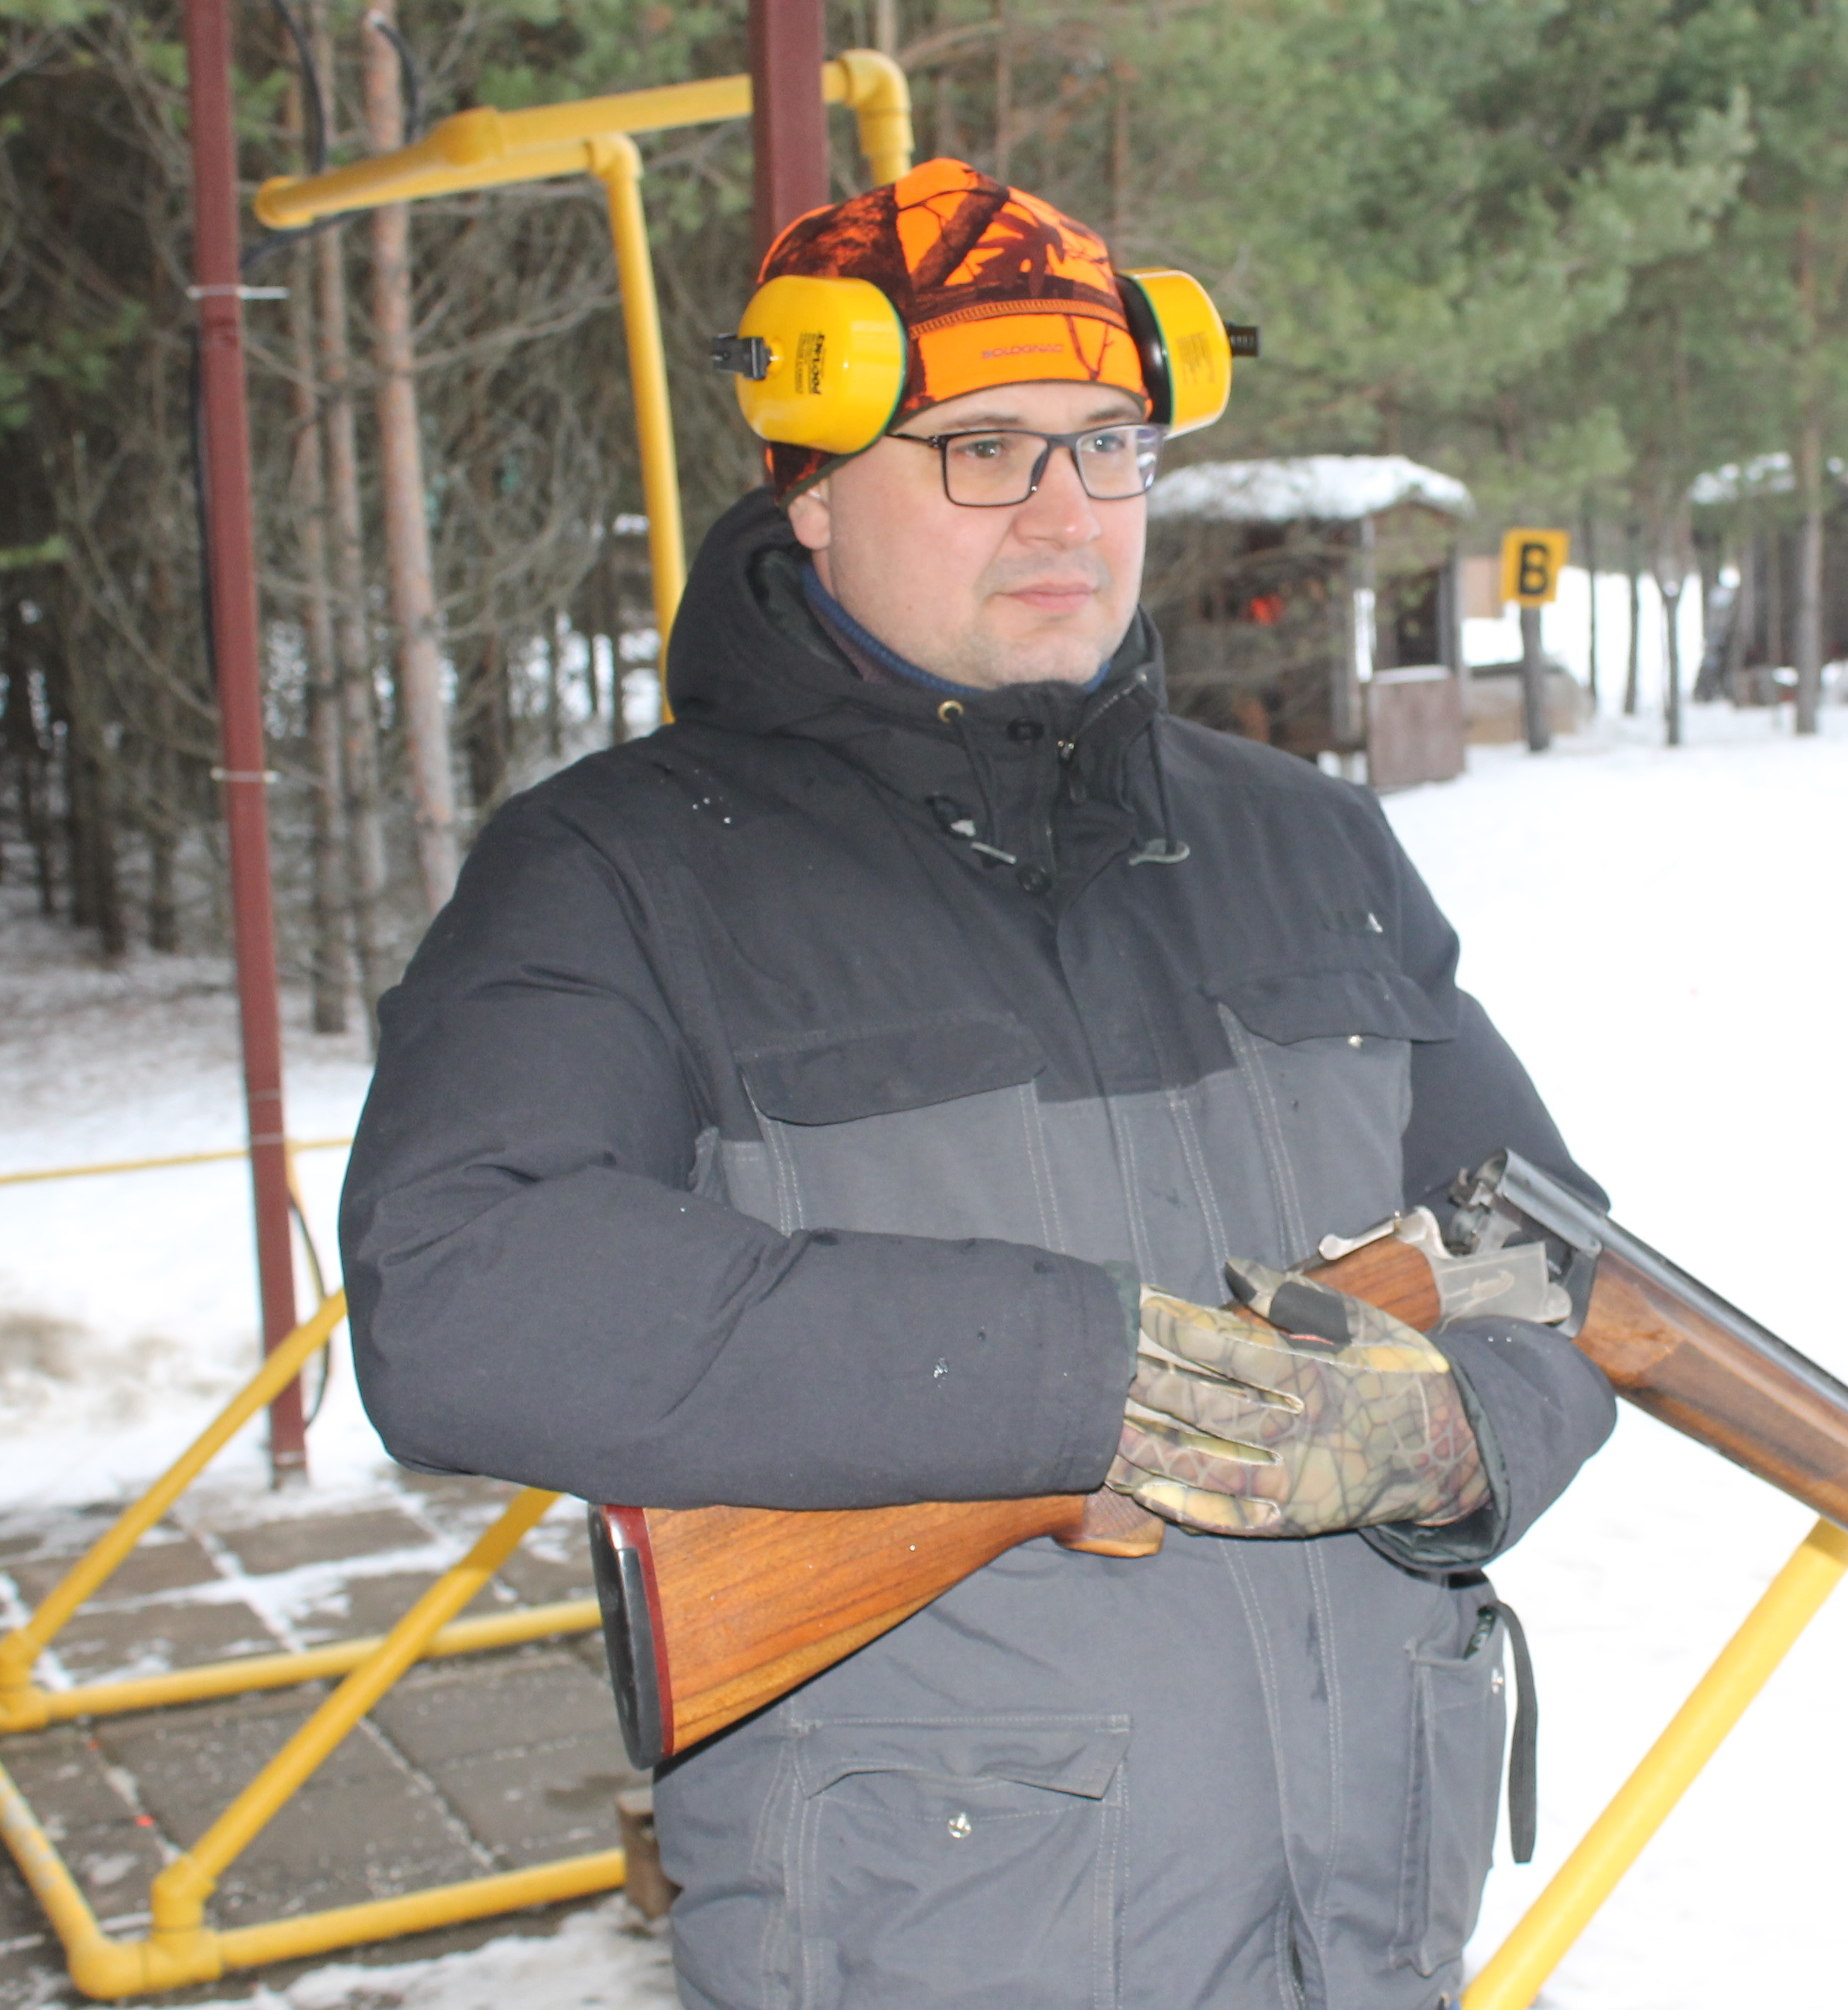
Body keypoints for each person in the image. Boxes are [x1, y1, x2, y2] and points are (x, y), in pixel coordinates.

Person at [342, 158, 1616, 2010]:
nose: (1066, 510)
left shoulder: (1308, 840)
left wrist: (1456, 1439)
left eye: (1108, 446)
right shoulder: (618, 869)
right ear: (812, 487)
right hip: (936, 1945)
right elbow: (460, 1290)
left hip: (1374, 1939)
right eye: (982, 450)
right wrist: (1087, 1380)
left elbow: (1547, 1256)